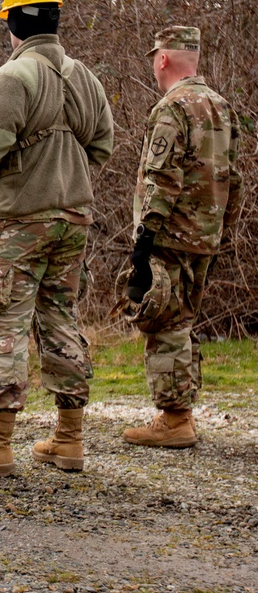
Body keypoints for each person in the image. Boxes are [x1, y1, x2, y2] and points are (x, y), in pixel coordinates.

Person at [0, 0, 114, 476]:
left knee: (7, 321)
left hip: (21, 222)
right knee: (60, 318)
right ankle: (69, 439)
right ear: (56, 19)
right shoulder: (84, 76)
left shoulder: (12, 77)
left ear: (14, 22)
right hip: (74, 218)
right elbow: (102, 144)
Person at [119, 26, 241, 448]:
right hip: (205, 234)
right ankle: (181, 410)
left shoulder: (173, 108)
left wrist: (143, 239)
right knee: (183, 320)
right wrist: (222, 229)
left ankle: (174, 419)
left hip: (170, 234)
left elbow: (161, 178)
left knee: (165, 322)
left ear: (163, 59)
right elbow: (235, 178)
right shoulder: (221, 107)